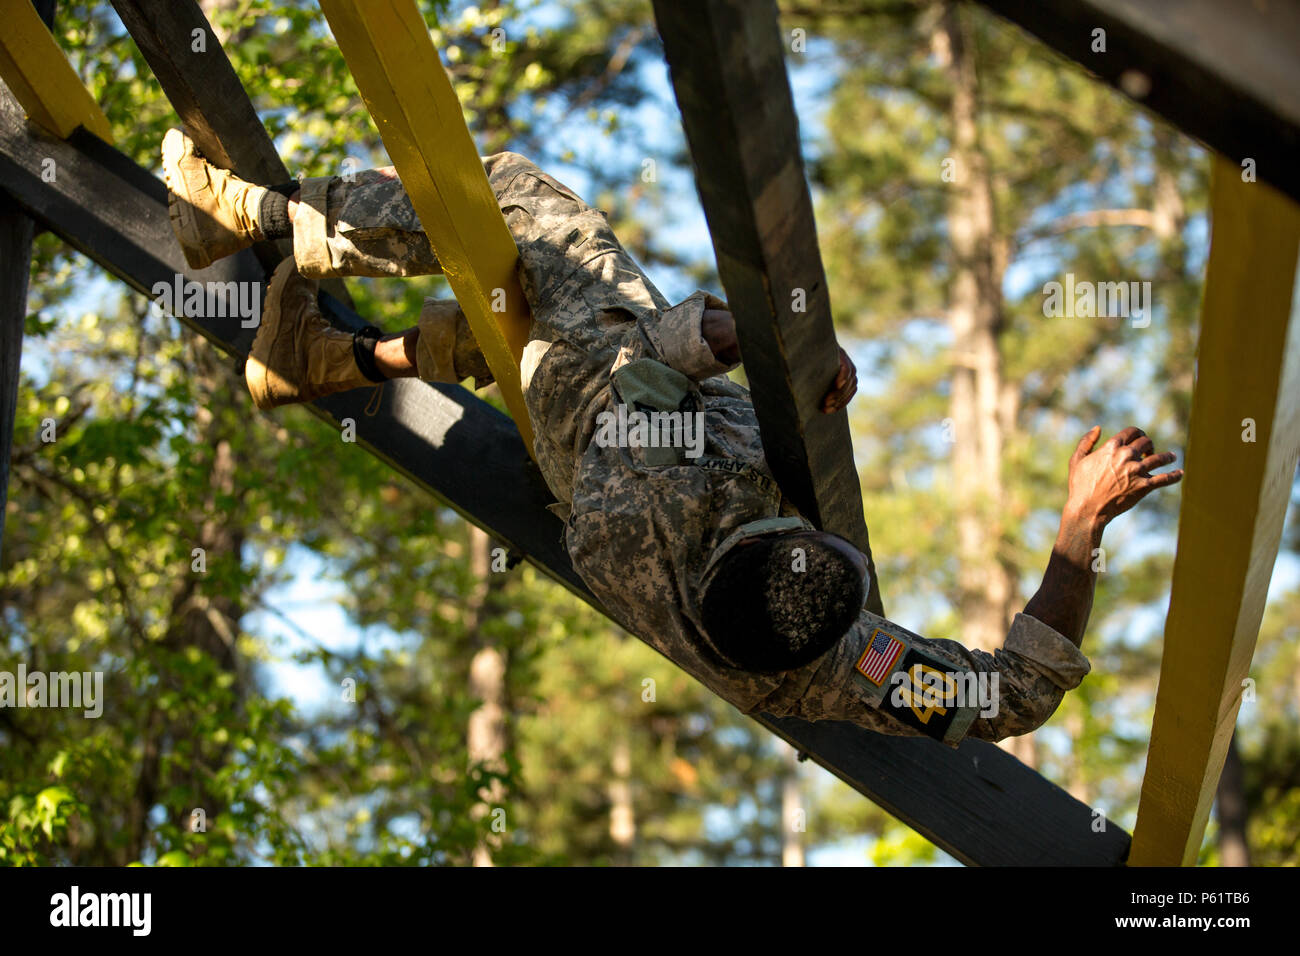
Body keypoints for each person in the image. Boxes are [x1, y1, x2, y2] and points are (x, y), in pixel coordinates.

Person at [162, 127, 1184, 746]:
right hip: (629, 434)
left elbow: (633, 364)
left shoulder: (655, 501)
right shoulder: (847, 661)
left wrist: (725, 336)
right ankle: (321, 358)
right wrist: (1076, 531)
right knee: (504, 318)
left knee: (524, 210)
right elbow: (1010, 695)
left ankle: (249, 215)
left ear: (737, 530)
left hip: (598, 424)